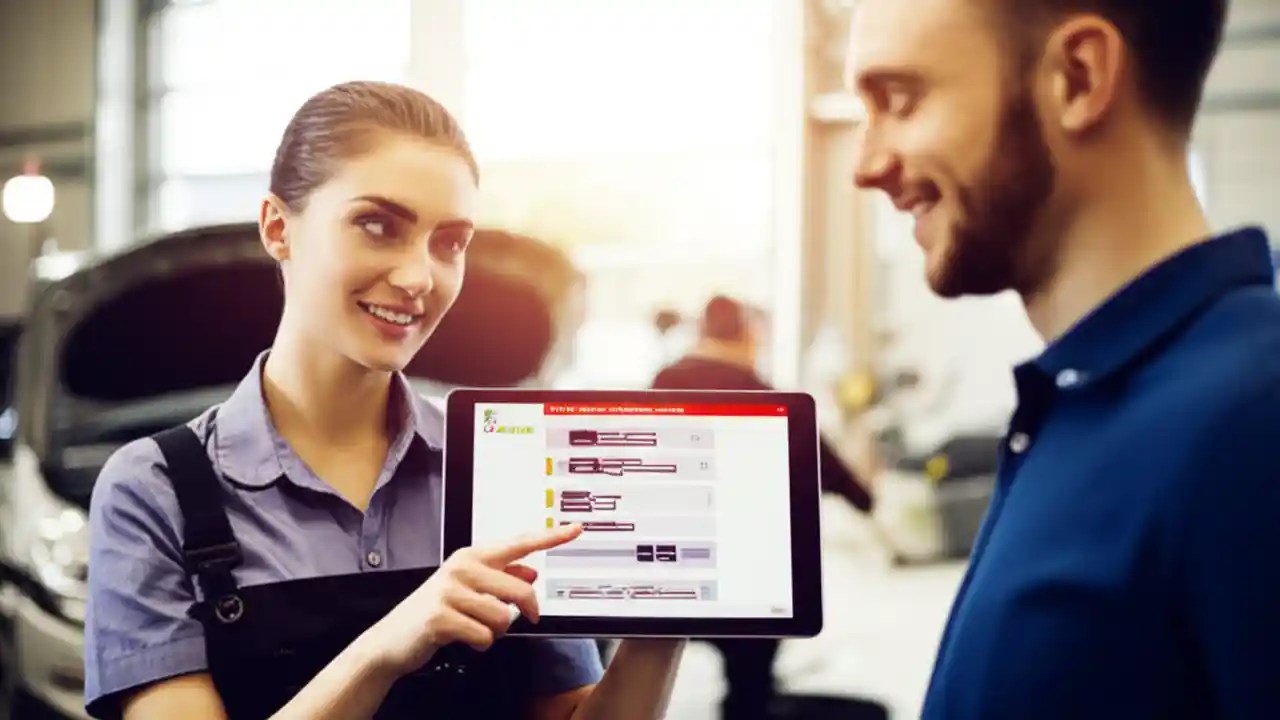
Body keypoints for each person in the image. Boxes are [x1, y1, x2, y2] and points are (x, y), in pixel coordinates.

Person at [84, 81, 685, 720]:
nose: (419, 277)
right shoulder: (153, 492)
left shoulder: (499, 463)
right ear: (277, 228)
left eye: (449, 242)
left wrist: (668, 618)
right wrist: (387, 648)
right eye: (377, 225)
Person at [847, 0, 1280, 718]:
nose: (866, 165)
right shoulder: (1080, 401)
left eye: (900, 99)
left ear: (1077, 78)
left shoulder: (1254, 420)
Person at [651, 295, 878, 720]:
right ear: (748, 337)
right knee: (750, 681)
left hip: (666, 571)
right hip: (749, 584)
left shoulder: (660, 385)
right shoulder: (767, 399)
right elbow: (843, 481)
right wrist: (863, 493)